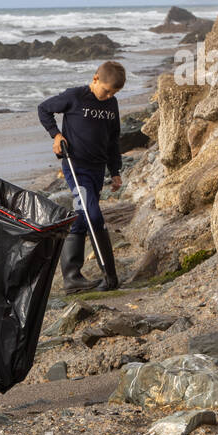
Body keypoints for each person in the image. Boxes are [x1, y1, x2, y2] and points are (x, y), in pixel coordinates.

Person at [36, 61, 126, 292]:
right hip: (76, 167)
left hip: (97, 169)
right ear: (96, 79)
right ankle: (110, 276)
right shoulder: (75, 96)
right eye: (106, 90)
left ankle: (72, 278)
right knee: (93, 215)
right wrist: (56, 135)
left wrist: (115, 171)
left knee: (82, 215)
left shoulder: (111, 104)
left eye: (113, 93)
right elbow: (44, 109)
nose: (108, 96)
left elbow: (114, 138)